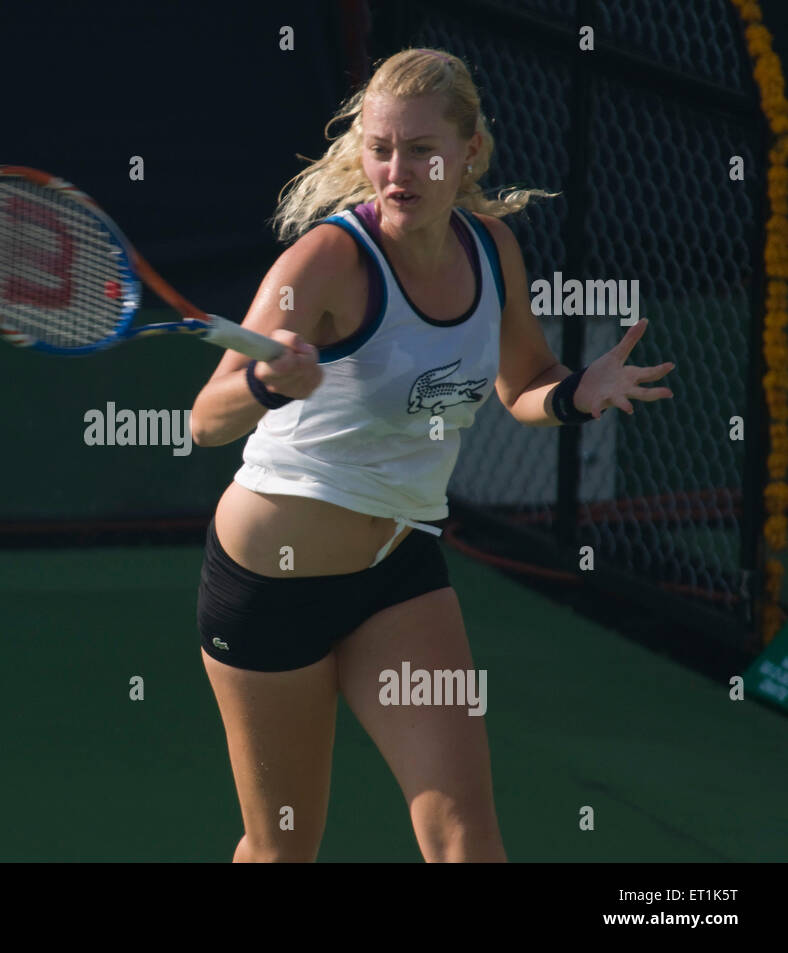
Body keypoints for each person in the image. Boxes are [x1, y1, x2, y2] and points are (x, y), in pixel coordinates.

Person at [188, 47, 675, 863]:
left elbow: (522, 381)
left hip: (397, 570)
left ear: (471, 149)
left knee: (467, 840)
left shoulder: (491, 251)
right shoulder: (325, 262)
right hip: (269, 586)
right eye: (380, 147)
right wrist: (270, 385)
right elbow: (207, 419)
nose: (396, 169)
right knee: (283, 848)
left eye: (421, 149)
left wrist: (574, 392)